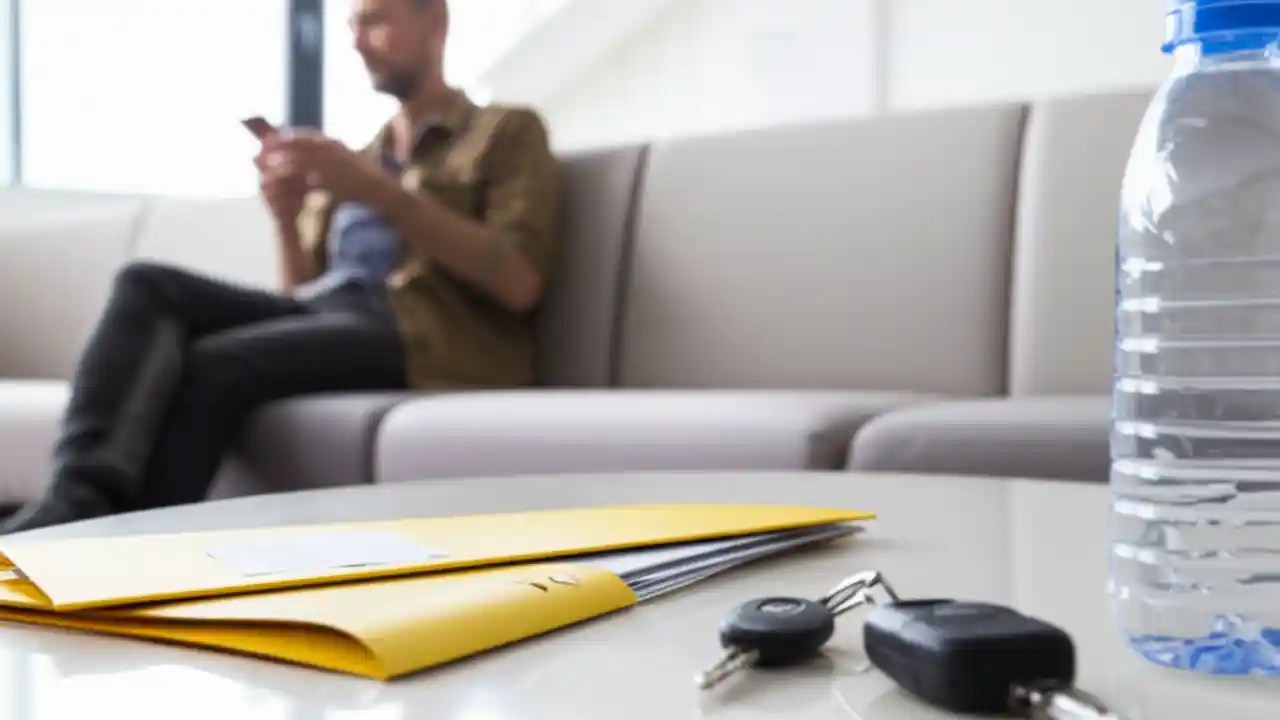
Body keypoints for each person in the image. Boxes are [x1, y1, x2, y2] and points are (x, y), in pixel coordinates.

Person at [1, 0, 562, 533]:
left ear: (434, 19)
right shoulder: (358, 161)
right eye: (353, 27)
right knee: (146, 283)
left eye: (376, 22)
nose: (360, 44)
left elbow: (520, 281)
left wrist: (380, 194)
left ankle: (134, 545)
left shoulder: (504, 133)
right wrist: (286, 215)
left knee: (216, 364)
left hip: (423, 335)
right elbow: (301, 296)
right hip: (336, 312)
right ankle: (73, 504)